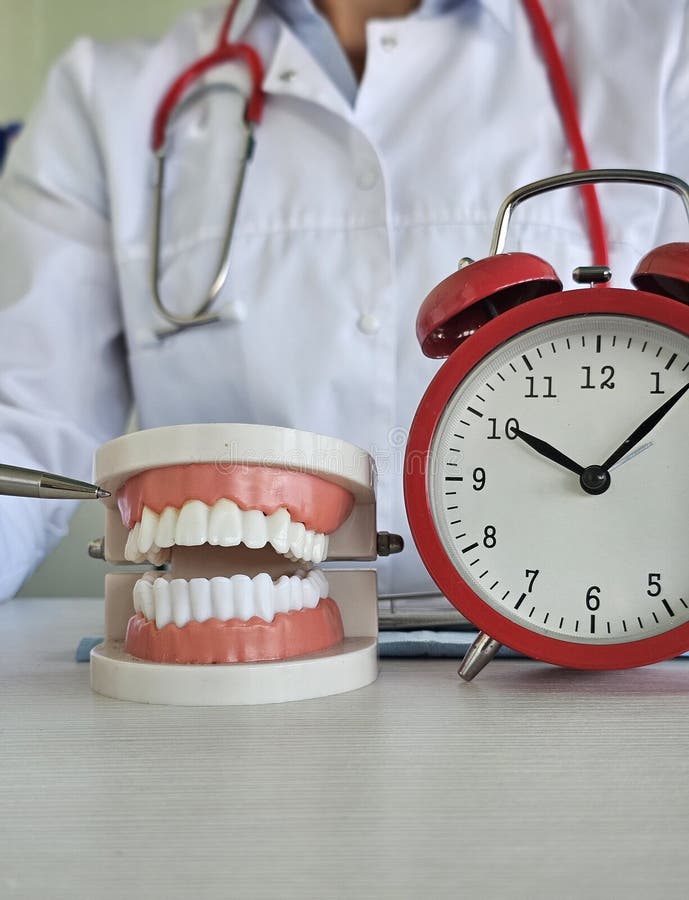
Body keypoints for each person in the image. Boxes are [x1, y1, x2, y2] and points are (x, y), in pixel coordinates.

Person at [1, 0, 688, 602]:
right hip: (234, 667)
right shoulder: (106, 96)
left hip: (570, 671)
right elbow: (25, 418)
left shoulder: (660, 51)